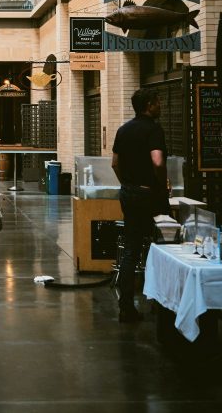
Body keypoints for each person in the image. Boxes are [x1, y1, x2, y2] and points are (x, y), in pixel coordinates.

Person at [111, 87, 169, 323]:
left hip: (129, 193)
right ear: (148, 105)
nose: (160, 105)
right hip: (151, 196)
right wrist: (162, 183)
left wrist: (127, 184)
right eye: (157, 102)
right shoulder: (154, 129)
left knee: (131, 249)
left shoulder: (123, 130)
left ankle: (126, 307)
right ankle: (162, 305)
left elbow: (115, 163)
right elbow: (157, 161)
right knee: (163, 246)